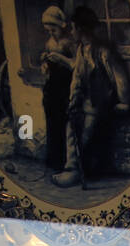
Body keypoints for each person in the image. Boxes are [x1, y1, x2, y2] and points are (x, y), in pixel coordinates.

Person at [53, 5, 130, 189]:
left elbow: (120, 78)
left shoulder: (103, 51)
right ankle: (71, 169)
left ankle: (82, 171)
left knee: (87, 134)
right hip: (86, 101)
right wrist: (73, 102)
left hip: (100, 103)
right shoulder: (81, 50)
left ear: (80, 29)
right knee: (70, 127)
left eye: (73, 28)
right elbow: (77, 78)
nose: (71, 32)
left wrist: (124, 101)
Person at [39, 7, 76, 173]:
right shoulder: (50, 43)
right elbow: (46, 67)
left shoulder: (70, 42)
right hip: (51, 88)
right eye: (48, 31)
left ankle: (63, 162)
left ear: (61, 26)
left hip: (66, 87)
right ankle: (53, 160)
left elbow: (76, 65)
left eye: (53, 30)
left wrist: (60, 59)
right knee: (52, 124)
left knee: (63, 124)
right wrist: (45, 65)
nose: (51, 34)